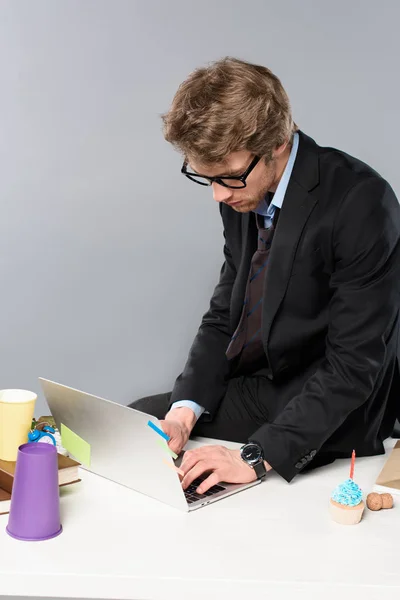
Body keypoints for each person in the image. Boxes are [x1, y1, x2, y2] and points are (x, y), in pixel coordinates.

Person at [130, 57, 400, 496]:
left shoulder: (361, 202)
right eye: (206, 177)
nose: (218, 194)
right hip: (260, 382)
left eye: (229, 178)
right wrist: (184, 411)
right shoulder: (240, 188)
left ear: (276, 144)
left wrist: (254, 457)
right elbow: (225, 315)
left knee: (197, 481)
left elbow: (353, 367)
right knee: (135, 428)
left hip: (332, 397)